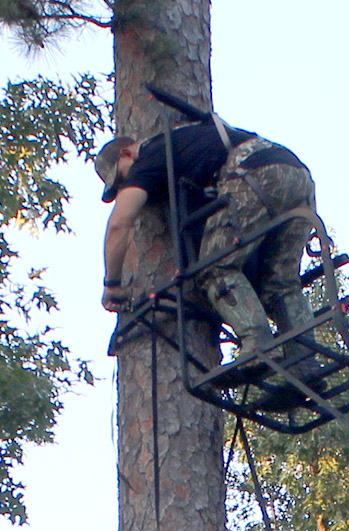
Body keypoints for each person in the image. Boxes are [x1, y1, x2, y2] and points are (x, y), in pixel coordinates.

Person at [94, 119, 325, 387]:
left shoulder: (150, 154)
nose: (126, 186)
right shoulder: (187, 140)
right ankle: (305, 362)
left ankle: (257, 345)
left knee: (216, 267)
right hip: (297, 176)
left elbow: (119, 223)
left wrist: (111, 284)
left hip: (252, 173)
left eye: (122, 178)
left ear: (126, 153)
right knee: (280, 282)